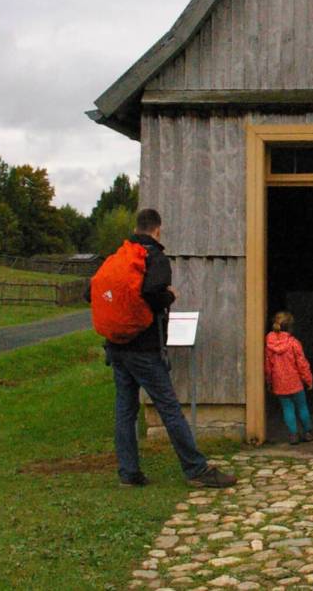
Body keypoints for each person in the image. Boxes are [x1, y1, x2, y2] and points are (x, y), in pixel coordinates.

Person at [93, 208, 236, 488]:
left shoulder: (117, 257)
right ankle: (196, 469)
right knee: (169, 408)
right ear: (157, 230)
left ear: (137, 227)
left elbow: (92, 292)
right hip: (144, 348)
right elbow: (151, 293)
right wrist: (168, 295)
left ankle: (129, 473)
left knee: (125, 410)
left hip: (117, 347)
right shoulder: (155, 257)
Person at [264, 311, 313, 444]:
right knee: (302, 407)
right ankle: (308, 432)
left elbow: (268, 366)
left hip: (279, 382)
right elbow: (302, 364)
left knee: (287, 409)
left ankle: (293, 435)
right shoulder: (294, 343)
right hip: (295, 382)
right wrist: (308, 380)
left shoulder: (269, 344)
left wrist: (269, 382)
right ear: (290, 327)